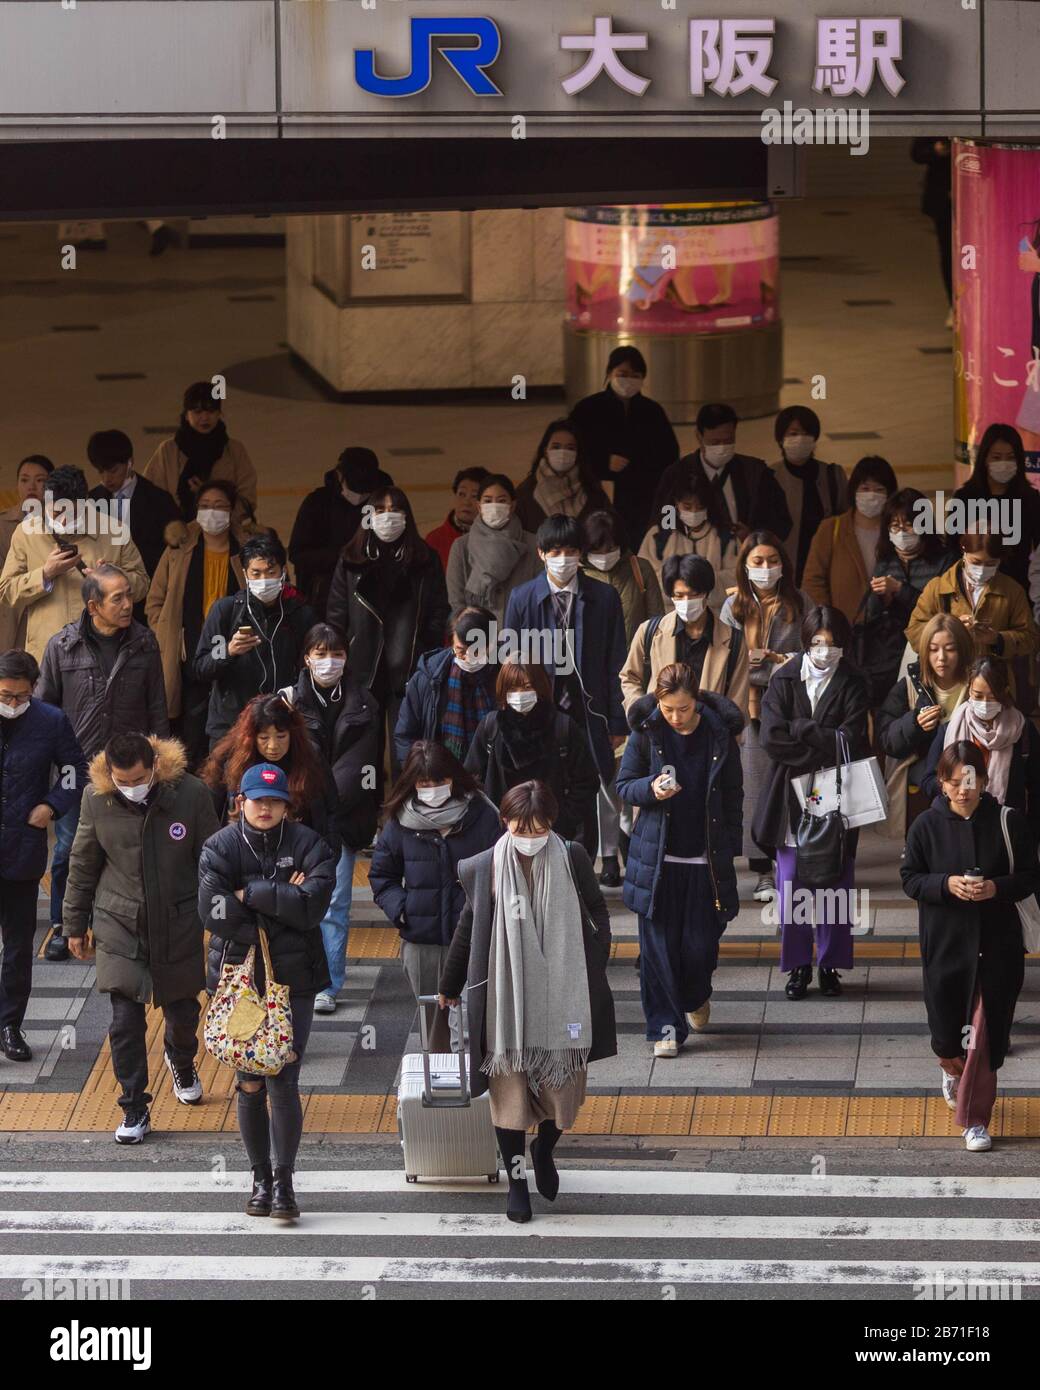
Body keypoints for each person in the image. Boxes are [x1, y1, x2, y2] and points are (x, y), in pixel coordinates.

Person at [438, 780, 616, 1224]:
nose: (529, 835)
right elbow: (468, 927)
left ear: (551, 823)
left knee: (564, 1095)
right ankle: (517, 1182)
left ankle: (545, 1150)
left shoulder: (572, 857)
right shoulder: (486, 867)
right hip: (505, 999)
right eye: (521, 826)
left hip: (563, 995)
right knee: (510, 1097)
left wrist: (593, 960)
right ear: (505, 822)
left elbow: (598, 910)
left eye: (538, 827)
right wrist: (450, 983)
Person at [63, 731, 220, 1143]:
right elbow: (82, 862)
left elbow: (213, 857)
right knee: (124, 1020)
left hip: (179, 918)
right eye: (122, 780)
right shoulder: (96, 800)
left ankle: (181, 1060)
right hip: (119, 922)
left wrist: (223, 913)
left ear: (154, 767)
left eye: (138, 779)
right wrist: (73, 924)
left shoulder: (190, 794)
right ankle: (134, 1106)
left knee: (183, 1012)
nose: (130, 788)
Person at [199, 762, 335, 1217]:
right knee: (249, 1079)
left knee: (285, 1077)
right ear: (241, 803)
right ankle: (259, 1178)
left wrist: (249, 893)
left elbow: (314, 906)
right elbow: (215, 912)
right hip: (239, 978)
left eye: (275, 802)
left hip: (295, 978)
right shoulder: (218, 847)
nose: (266, 808)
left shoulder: (310, 843)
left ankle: (284, 1184)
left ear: (286, 807)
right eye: (258, 800)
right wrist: (281, 896)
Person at [902, 742, 1039, 1151]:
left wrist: (996, 887)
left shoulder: (1007, 821)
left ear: (982, 779)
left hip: (998, 944)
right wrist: (946, 884)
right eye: (954, 780)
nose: (963, 789)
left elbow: (1031, 876)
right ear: (941, 784)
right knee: (948, 1035)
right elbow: (910, 878)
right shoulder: (925, 825)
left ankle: (975, 1118)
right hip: (946, 945)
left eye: (971, 779)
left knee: (985, 1031)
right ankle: (948, 1066)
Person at [36, 564, 170, 962]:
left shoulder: (145, 642)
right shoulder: (62, 646)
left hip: (130, 768)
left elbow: (157, 708)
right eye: (119, 598)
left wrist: (161, 760)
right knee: (69, 850)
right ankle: (64, 925)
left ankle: (130, 924)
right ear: (94, 605)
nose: (129, 604)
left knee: (130, 848)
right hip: (76, 768)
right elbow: (45, 711)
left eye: (129, 595)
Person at [616, 662, 743, 1057]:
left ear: (697, 703)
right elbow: (624, 785)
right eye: (667, 708)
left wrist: (730, 849)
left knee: (699, 947)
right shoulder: (646, 732)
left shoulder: (719, 736)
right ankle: (664, 1029)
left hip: (703, 860)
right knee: (657, 952)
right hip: (656, 860)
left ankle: (697, 994)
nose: (674, 717)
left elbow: (734, 795)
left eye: (683, 709)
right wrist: (650, 789)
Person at [753, 606, 870, 1000]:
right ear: (805, 643)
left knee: (836, 884)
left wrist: (801, 730)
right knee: (792, 886)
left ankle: (830, 964)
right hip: (790, 797)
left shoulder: (854, 681)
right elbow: (772, 737)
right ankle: (799, 964)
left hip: (838, 796)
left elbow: (852, 739)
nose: (825, 650)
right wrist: (820, 740)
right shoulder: (783, 678)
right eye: (817, 643)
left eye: (832, 643)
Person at [503, 514, 628, 860]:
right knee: (543, 783)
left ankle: (593, 859)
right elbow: (510, 659)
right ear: (541, 553)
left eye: (571, 550)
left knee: (592, 783)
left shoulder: (604, 597)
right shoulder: (522, 598)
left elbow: (617, 661)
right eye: (555, 550)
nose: (563, 558)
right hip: (541, 710)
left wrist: (617, 721)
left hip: (591, 710)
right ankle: (539, 855)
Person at [370, 741, 501, 1051]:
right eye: (424, 783)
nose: (432, 789)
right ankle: (444, 1088)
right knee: (434, 1028)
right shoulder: (399, 822)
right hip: (422, 942)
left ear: (453, 778)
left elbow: (501, 868)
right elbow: (381, 876)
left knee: (474, 1024)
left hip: (473, 938)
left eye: (439, 782)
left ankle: (476, 1091)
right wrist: (402, 909)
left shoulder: (483, 814)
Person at [281, 623, 380, 1014]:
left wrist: (334, 805)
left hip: (342, 816)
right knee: (293, 897)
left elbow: (363, 766)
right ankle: (296, 974)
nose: (328, 662)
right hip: (298, 816)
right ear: (306, 658)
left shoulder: (364, 703)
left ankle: (327, 984)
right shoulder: (288, 703)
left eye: (335, 653)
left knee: (336, 902)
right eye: (320, 653)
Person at [327, 485, 450, 783]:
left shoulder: (424, 559)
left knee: (406, 751)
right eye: (379, 510)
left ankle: (402, 812)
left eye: (395, 510)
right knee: (363, 755)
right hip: (362, 670)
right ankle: (367, 818)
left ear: (407, 517)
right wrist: (341, 657)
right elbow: (336, 614)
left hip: (407, 670)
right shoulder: (351, 559)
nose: (387, 517)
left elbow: (438, 610)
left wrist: (423, 649)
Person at [0, 650, 86, 1062]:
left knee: (18, 946)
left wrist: (50, 806)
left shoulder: (50, 721)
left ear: (33, 689)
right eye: (4, 695)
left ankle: (10, 1024)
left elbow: (74, 770)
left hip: (22, 846)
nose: (11, 703)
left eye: (19, 696)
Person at [145, 478, 265, 766]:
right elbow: (155, 601)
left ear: (233, 510)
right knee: (190, 730)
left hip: (238, 655)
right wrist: (167, 635)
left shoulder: (248, 547)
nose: (212, 512)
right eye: (205, 506)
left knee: (239, 733)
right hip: (189, 656)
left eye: (220, 506)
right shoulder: (180, 546)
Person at [720, 532, 811, 901]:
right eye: (757, 561)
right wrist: (748, 660)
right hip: (748, 705)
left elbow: (812, 652)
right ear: (744, 565)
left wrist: (776, 660)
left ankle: (795, 863)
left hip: (789, 704)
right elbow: (725, 655)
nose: (765, 568)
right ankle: (762, 871)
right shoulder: (733, 605)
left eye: (772, 560)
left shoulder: (800, 602)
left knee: (793, 785)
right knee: (755, 789)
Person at [0, 464, 149, 662]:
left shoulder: (114, 530)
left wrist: (112, 579)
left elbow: (142, 585)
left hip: (102, 653)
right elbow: (6, 591)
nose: (61, 521)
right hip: (46, 654)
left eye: (69, 514)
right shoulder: (26, 533)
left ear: (85, 503)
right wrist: (44, 574)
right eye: (55, 513)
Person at [192, 533, 317, 746]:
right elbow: (201, 667)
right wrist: (228, 650)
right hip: (230, 727)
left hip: (280, 726)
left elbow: (313, 668)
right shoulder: (226, 610)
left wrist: (296, 693)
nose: (263, 580)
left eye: (271, 572)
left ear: (283, 572)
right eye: (256, 574)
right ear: (245, 574)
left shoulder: (300, 613)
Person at [465, 659, 600, 848]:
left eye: (527, 687)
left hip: (553, 834)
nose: (520, 695)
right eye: (513, 689)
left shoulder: (563, 728)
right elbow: (471, 779)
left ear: (540, 687)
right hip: (500, 837)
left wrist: (561, 819)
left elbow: (586, 782)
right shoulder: (492, 727)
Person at [570, 345, 680, 546]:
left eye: (635, 375)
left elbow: (669, 456)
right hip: (594, 495)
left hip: (642, 497)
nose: (628, 380)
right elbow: (573, 450)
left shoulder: (652, 412)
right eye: (622, 373)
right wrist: (603, 462)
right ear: (609, 373)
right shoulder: (587, 410)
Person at [877, 613, 973, 841]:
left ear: (962, 650)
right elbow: (886, 740)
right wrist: (914, 724)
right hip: (924, 766)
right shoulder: (911, 684)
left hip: (970, 764)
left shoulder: (975, 683)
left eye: (950, 649)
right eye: (933, 649)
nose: (942, 658)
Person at [905, 532, 1039, 696]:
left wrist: (997, 639)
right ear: (964, 552)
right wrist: (950, 631)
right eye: (976, 562)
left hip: (992, 686)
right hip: (947, 684)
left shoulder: (1012, 591)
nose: (982, 570)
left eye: (991, 564)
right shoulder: (938, 588)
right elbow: (914, 632)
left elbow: (1030, 639)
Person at [919, 657, 1040, 833]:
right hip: (957, 828)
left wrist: (1030, 834)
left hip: (1006, 829)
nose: (984, 703)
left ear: (1005, 692)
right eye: (978, 695)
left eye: (992, 697)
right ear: (969, 689)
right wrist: (955, 787)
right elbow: (928, 779)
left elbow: (1036, 786)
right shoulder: (950, 728)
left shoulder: (1023, 731)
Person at [859, 488, 953, 707]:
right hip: (886, 657)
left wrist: (901, 590)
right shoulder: (885, 562)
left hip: (928, 652)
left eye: (908, 524)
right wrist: (881, 599)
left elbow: (941, 611)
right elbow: (870, 614)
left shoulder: (944, 560)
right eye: (894, 526)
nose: (901, 532)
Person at [621, 554, 748, 712]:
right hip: (657, 730)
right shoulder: (649, 631)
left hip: (710, 732)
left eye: (694, 595)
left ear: (706, 593)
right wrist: (643, 713)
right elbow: (630, 677)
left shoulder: (734, 640)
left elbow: (738, 700)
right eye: (679, 596)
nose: (686, 601)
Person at [650, 402, 785, 538]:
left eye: (728, 441)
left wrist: (753, 536)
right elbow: (664, 523)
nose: (722, 448)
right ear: (699, 436)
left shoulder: (755, 473)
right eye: (715, 442)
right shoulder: (676, 474)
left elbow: (779, 520)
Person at [289, 447, 394, 616]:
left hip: (374, 593)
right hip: (325, 595)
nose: (359, 495)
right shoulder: (317, 503)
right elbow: (298, 553)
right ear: (339, 476)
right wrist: (343, 557)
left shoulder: (383, 501)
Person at [394, 606, 499, 767]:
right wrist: (419, 774)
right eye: (461, 650)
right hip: (440, 775)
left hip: (495, 774)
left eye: (476, 651)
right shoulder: (428, 679)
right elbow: (405, 735)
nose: (468, 658)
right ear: (451, 642)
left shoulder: (505, 675)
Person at [802, 455, 898, 627]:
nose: (871, 495)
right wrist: (827, 620)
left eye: (879, 489)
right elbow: (813, 580)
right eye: (865, 488)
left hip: (887, 630)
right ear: (853, 491)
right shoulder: (831, 529)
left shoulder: (896, 530)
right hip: (843, 628)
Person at [141, 381, 257, 522]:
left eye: (211, 411)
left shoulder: (234, 450)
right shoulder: (168, 451)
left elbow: (247, 498)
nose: (204, 417)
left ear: (219, 413)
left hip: (224, 534)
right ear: (186, 415)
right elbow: (150, 496)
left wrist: (212, 505)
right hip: (178, 535)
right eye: (197, 412)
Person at [86, 429, 181, 581]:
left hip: (148, 584)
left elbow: (171, 554)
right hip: (103, 589)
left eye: (113, 470)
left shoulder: (159, 500)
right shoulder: (90, 501)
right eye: (100, 471)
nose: (106, 478)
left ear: (130, 462)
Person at [956, 425, 1040, 595]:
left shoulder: (1030, 499)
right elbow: (953, 548)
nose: (1004, 463)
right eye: (996, 457)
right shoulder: (965, 498)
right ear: (985, 459)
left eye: (1010, 457)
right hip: (974, 588)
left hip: (1018, 589)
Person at [445, 473, 541, 623]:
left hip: (523, 635)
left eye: (501, 501)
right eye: (488, 501)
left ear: (512, 505)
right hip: (478, 636)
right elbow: (456, 600)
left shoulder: (533, 544)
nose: (494, 506)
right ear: (479, 506)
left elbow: (540, 593)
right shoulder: (461, 546)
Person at [769, 406, 848, 586]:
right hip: (783, 571)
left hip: (824, 568)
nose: (800, 439)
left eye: (806, 433)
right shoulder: (770, 476)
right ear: (781, 439)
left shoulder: (832, 475)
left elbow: (845, 520)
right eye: (793, 433)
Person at [638, 473, 738, 605]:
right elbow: (644, 577)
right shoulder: (659, 535)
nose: (694, 511)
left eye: (700, 507)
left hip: (714, 616)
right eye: (687, 506)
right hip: (667, 615)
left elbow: (736, 579)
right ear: (676, 503)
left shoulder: (725, 537)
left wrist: (699, 581)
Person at [580, 508, 664, 647]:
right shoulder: (575, 574)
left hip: (635, 664)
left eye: (611, 549)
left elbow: (657, 623)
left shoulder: (640, 569)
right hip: (589, 664)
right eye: (596, 551)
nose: (604, 556)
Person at [512, 419, 610, 535]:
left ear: (578, 453)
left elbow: (612, 529)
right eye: (556, 447)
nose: (562, 452)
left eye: (570, 448)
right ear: (545, 450)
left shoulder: (593, 491)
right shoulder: (526, 492)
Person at [0, 454, 53, 651]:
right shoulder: (2, 525)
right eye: (24, 480)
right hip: (8, 622)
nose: (31, 486)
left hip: (48, 618)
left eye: (40, 481)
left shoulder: (63, 524)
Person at [910, 138, 952, 321]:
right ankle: (954, 304)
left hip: (979, 194)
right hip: (943, 199)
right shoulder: (938, 117)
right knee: (949, 253)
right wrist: (935, 150)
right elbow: (917, 153)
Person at [424, 466, 488, 571]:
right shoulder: (434, 539)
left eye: (474, 496)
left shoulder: (496, 537)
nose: (466, 502)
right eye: (462, 494)